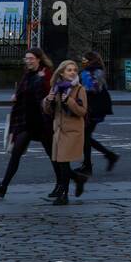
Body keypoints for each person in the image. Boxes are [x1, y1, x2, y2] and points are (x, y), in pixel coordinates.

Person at [0, 48, 54, 199]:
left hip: (42, 122)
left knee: (53, 156)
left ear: (39, 59)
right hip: (27, 121)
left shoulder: (46, 74)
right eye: (26, 58)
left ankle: (71, 179)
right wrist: (16, 96)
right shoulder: (27, 74)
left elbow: (48, 95)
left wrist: (40, 80)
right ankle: (3, 187)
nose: (28, 61)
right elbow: (23, 91)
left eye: (31, 58)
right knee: (15, 154)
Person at [42, 60, 89, 205]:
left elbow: (82, 111)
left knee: (63, 163)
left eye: (74, 70)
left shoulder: (79, 89)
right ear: (61, 73)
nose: (73, 72)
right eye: (69, 70)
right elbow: (49, 111)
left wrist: (69, 101)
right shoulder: (56, 87)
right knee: (62, 164)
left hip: (72, 131)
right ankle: (78, 179)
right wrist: (48, 101)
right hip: (59, 130)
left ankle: (64, 195)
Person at [80, 51, 119, 174]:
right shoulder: (88, 71)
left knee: (84, 137)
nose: (83, 61)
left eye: (85, 59)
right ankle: (109, 156)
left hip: (95, 108)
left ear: (90, 60)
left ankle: (88, 166)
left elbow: (96, 88)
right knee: (85, 137)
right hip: (91, 107)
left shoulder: (96, 71)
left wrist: (80, 86)